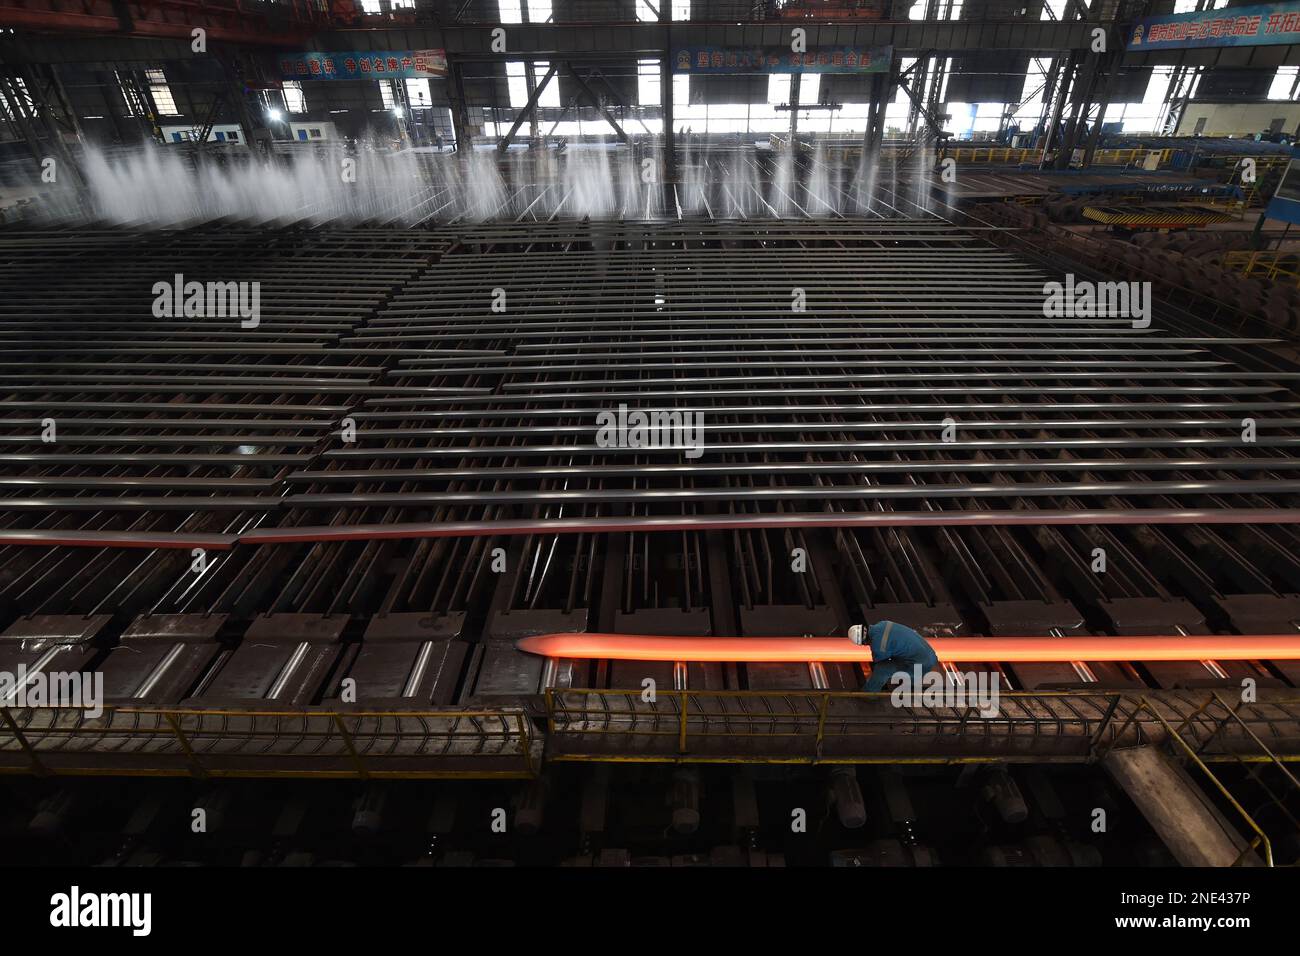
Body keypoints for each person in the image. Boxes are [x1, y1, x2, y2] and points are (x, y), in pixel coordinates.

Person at [850, 621, 940, 692]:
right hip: (930, 655)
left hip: (920, 665)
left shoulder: (878, 646)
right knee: (894, 659)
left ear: (863, 641)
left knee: (882, 669)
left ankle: (869, 694)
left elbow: (879, 660)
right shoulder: (882, 624)